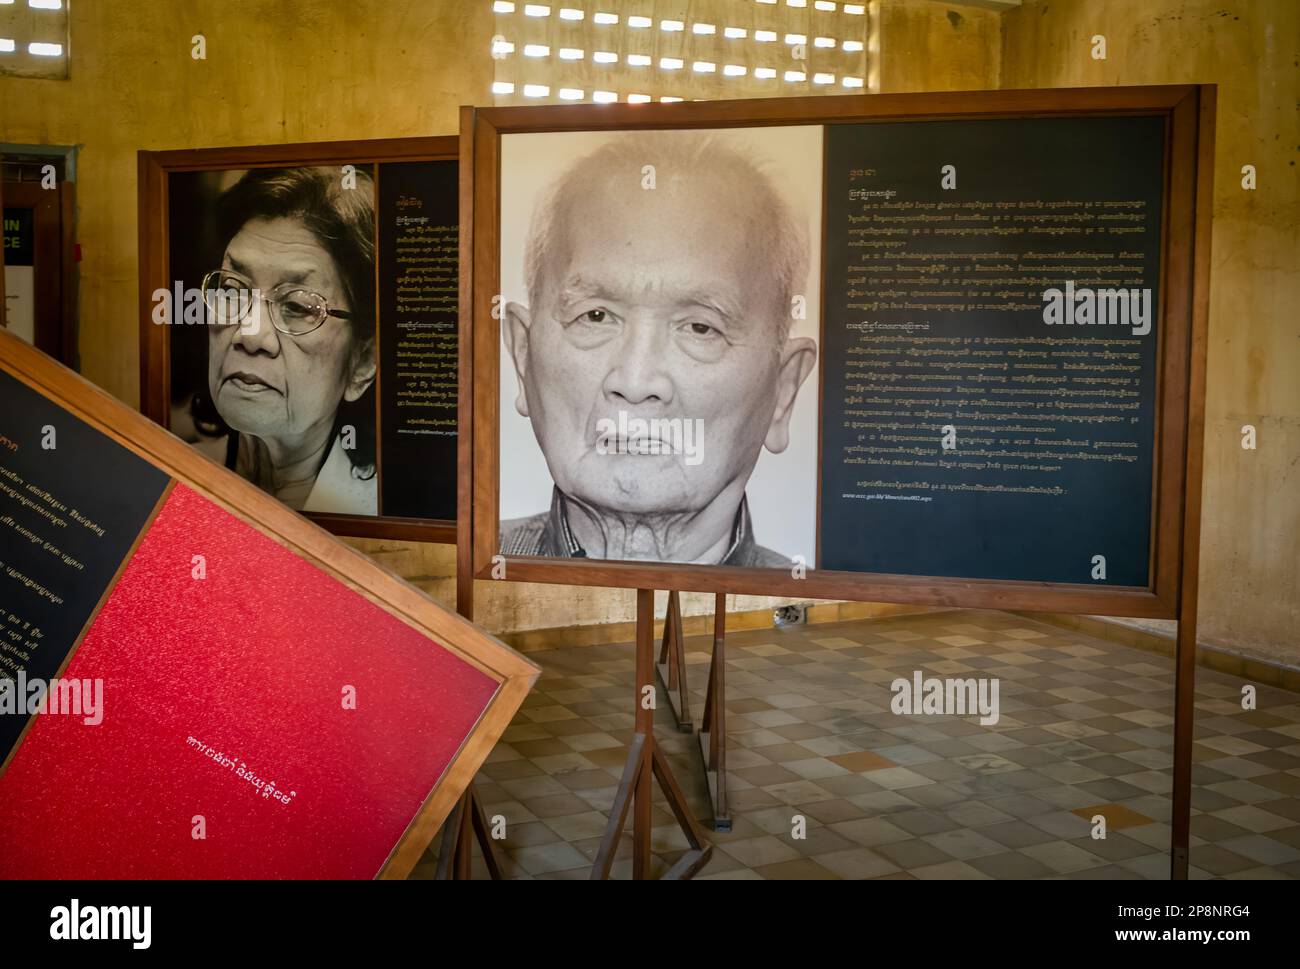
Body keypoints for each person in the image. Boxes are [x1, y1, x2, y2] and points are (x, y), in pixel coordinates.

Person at [500, 132, 817, 565]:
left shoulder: (824, 610)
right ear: (523, 356)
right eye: (595, 316)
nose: (634, 381)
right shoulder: (445, 578)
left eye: (700, 327)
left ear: (783, 391)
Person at [191, 166, 378, 515]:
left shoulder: (386, 517)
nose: (249, 334)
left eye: (296, 305)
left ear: (363, 363)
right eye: (231, 290)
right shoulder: (177, 483)